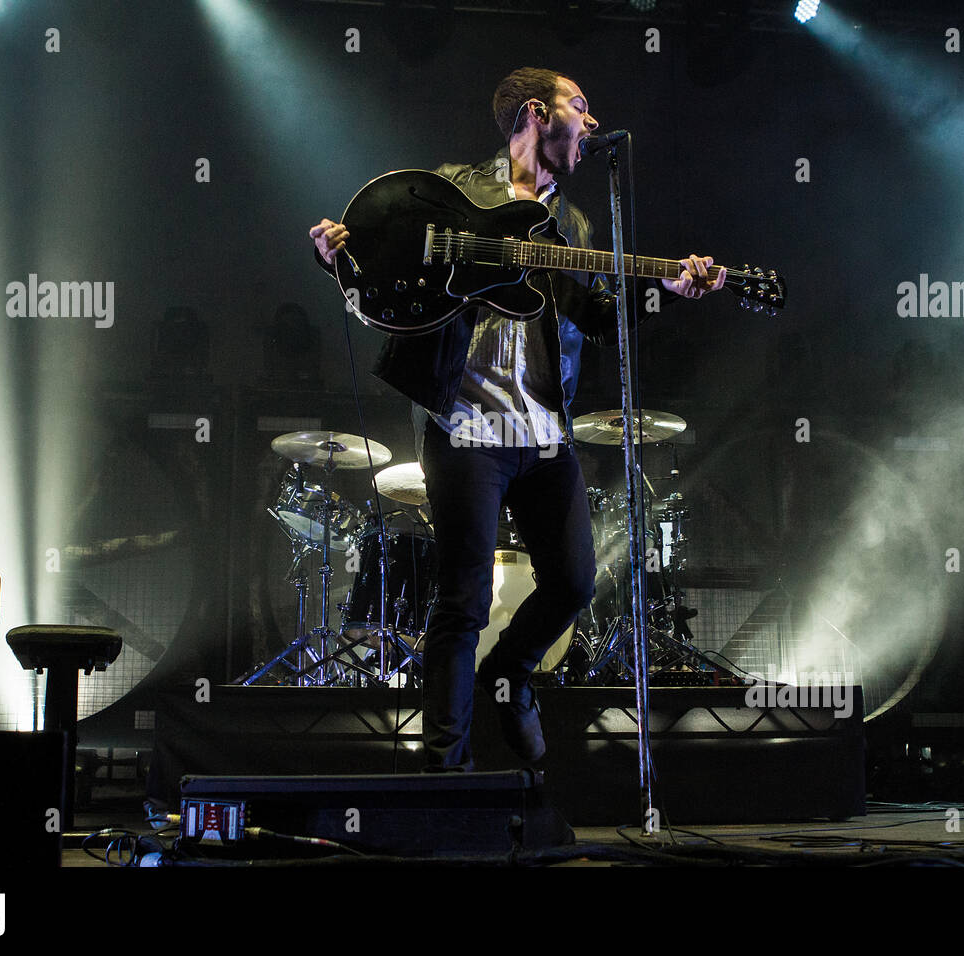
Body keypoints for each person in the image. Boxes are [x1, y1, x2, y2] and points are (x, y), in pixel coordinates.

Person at [310, 68, 725, 771]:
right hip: (468, 429)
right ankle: (446, 767)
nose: (594, 124)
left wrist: (668, 290)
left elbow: (596, 320)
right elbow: (385, 271)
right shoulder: (453, 189)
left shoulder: (576, 226)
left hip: (541, 431)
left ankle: (507, 676)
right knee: (461, 597)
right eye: (582, 108)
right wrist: (334, 257)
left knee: (570, 582)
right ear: (539, 112)